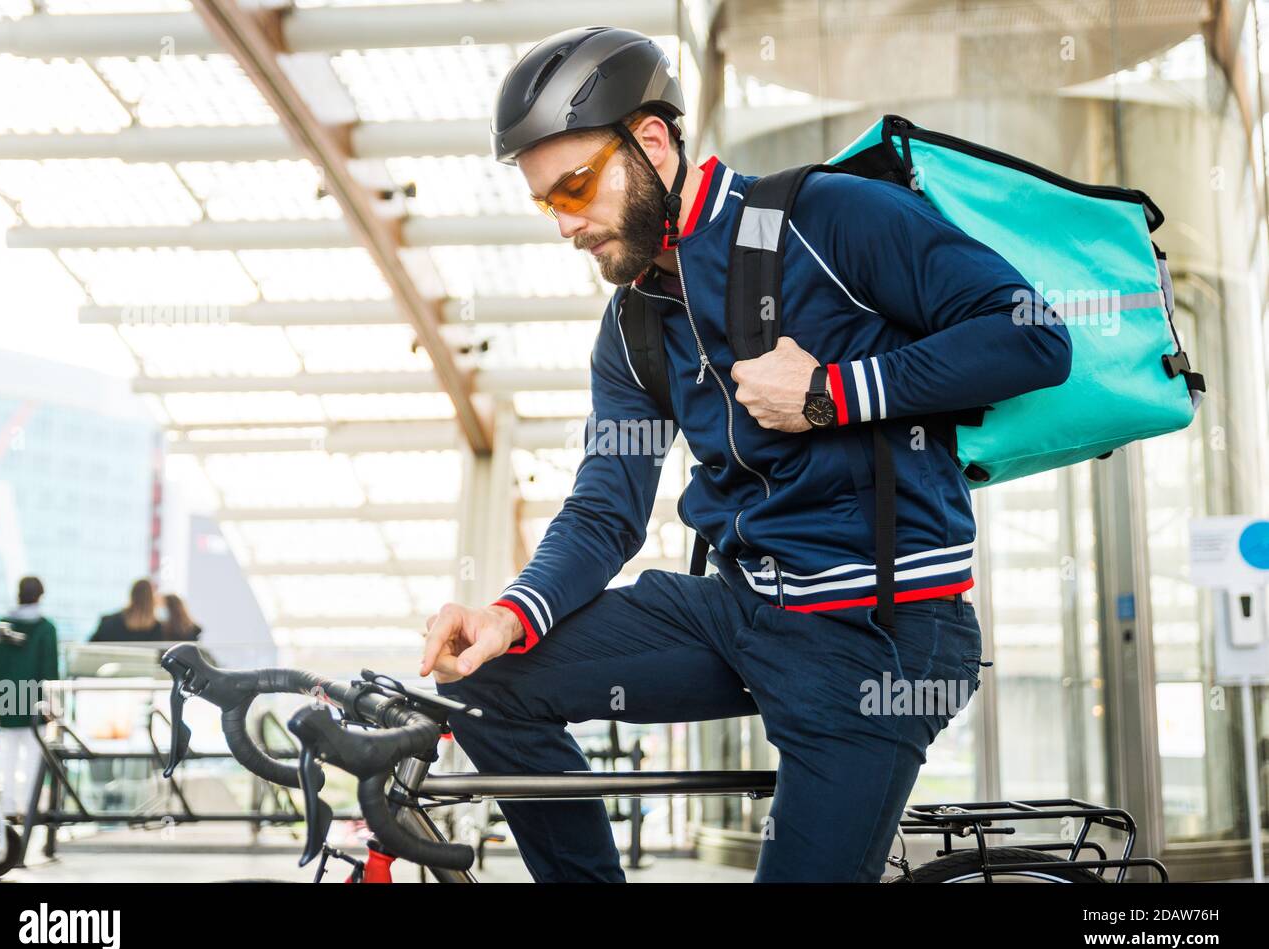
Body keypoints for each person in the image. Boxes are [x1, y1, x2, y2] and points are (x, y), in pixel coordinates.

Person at [422, 27, 1072, 882]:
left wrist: (834, 393)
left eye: (576, 187)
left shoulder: (827, 217)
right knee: (483, 682)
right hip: (739, 612)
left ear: (651, 142)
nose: (566, 224)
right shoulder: (632, 325)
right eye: (548, 203)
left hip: (879, 635)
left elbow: (1033, 337)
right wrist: (514, 611)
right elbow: (606, 505)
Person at [0, 576, 59, 818]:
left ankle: (8, 807)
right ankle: (31, 807)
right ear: (40, 595)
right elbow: (50, 672)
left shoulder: (1, 627)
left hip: (7, 698)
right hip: (35, 701)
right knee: (33, 759)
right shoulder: (46, 629)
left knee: (7, 756)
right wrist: (53, 705)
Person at [90, 578, 164, 643]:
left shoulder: (108, 622)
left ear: (132, 594)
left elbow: (89, 649)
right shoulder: (158, 629)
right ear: (152, 599)